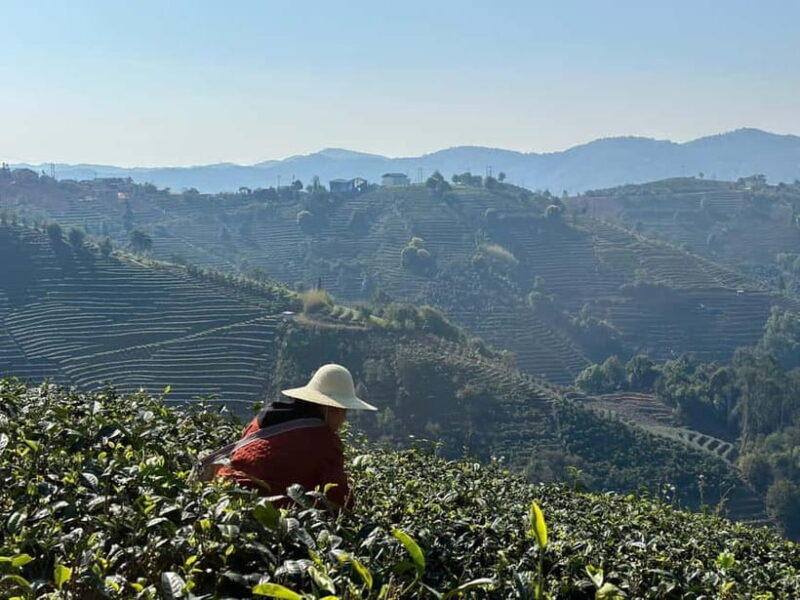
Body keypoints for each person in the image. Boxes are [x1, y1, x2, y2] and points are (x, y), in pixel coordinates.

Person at [216, 363, 376, 508]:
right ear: (333, 409)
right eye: (344, 411)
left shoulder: (261, 420)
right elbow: (339, 500)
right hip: (263, 510)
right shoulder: (325, 442)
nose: (344, 419)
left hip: (222, 495)